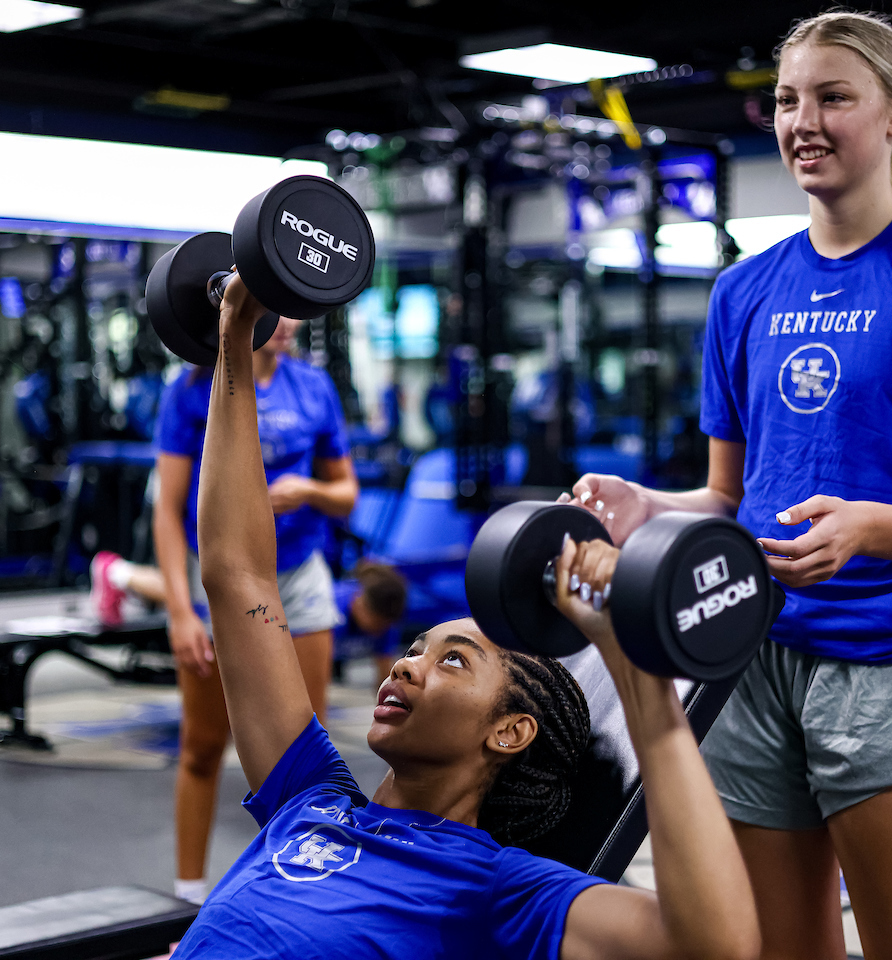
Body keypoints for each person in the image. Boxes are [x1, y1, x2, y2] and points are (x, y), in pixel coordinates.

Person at [560, 11, 892, 959]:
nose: (803, 122)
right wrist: (651, 507)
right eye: (788, 100)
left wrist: (873, 527)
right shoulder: (743, 290)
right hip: (748, 660)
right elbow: (729, 501)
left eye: (834, 97)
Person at [169, 272, 760, 960]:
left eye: (452, 660)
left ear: (510, 732)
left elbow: (712, 945)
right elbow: (237, 572)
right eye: (419, 648)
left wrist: (638, 673)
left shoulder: (497, 887)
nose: (407, 665)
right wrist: (236, 339)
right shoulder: (308, 798)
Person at [152, 314, 358, 904]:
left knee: (302, 756)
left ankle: (294, 898)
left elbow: (346, 496)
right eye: (276, 306)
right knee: (201, 745)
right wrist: (179, 611)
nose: (290, 321)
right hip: (219, 578)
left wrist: (309, 492)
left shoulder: (313, 387)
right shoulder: (192, 391)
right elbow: (168, 511)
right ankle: (186, 899)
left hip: (297, 576)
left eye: (296, 308)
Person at [89, 553, 406, 688]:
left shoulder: (384, 622)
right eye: (375, 620)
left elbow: (383, 679)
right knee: (188, 593)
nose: (378, 629)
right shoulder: (326, 609)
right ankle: (114, 570)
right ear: (359, 601)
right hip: (261, 607)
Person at [331, 559, 409, 685]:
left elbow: (385, 678)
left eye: (386, 624)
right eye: (377, 623)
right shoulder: (331, 612)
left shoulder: (386, 624)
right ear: (361, 604)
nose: (381, 630)